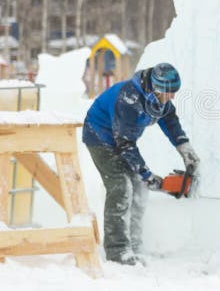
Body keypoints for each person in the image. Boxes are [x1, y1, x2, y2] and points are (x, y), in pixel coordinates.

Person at [82, 62, 200, 266]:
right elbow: (125, 144)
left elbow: (170, 121)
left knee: (139, 186)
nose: (172, 97)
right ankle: (118, 251)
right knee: (120, 186)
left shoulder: (158, 99)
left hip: (121, 140)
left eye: (175, 92)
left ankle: (134, 244)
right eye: (169, 92)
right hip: (99, 137)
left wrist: (185, 149)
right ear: (156, 87)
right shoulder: (129, 100)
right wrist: (147, 175)